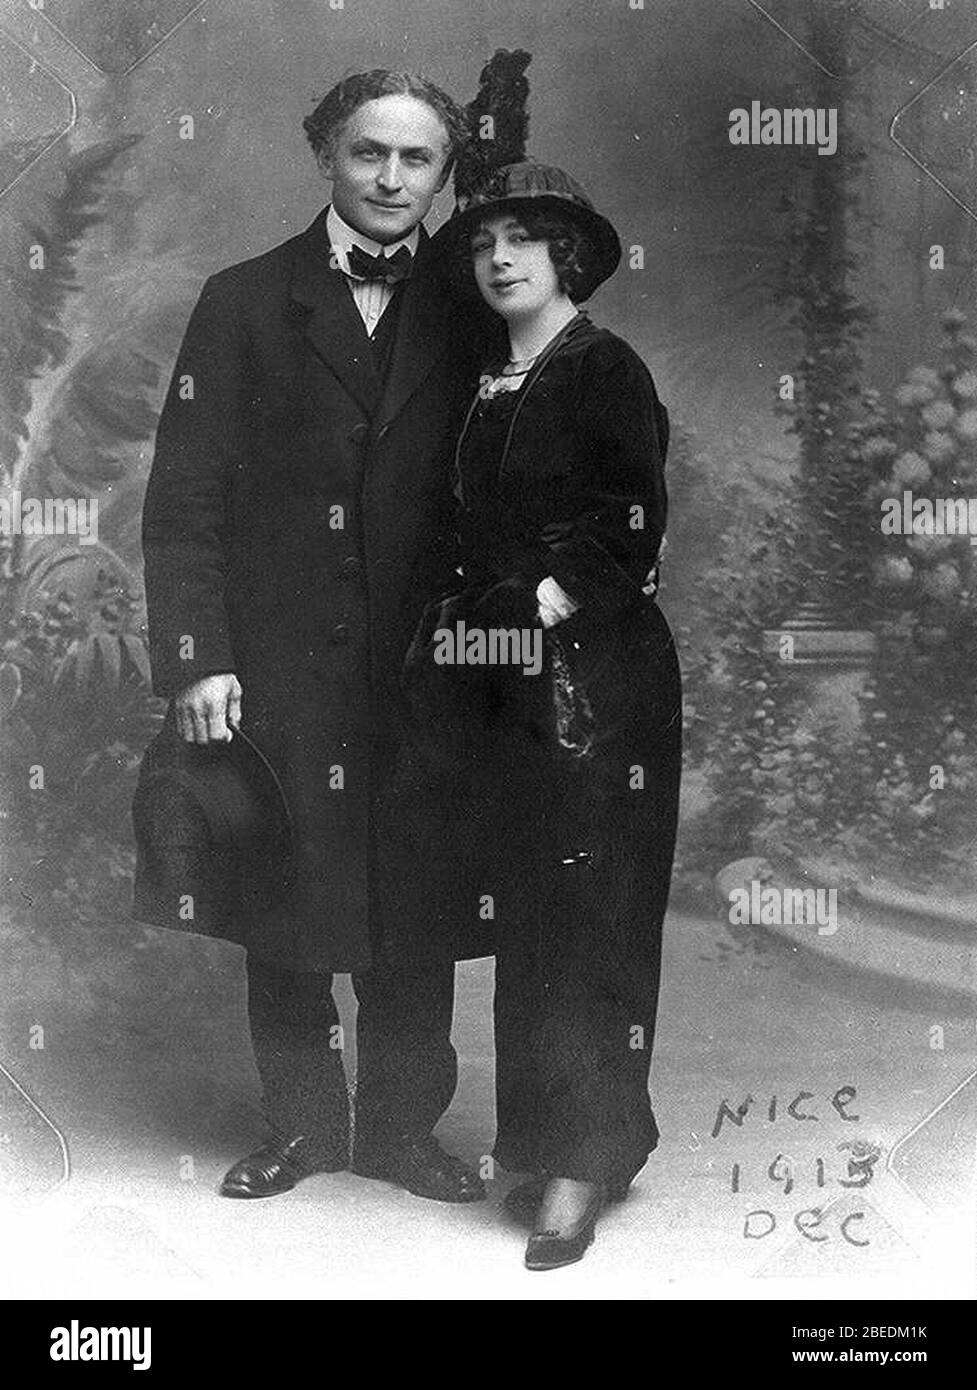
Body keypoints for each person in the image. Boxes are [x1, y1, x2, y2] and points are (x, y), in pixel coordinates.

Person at [141, 70, 487, 1205]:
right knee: (283, 894)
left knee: (417, 898)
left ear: (443, 174)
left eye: (416, 160)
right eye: (367, 154)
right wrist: (197, 656)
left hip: (429, 667)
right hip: (279, 661)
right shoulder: (242, 300)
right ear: (324, 157)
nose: (391, 180)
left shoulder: (479, 301)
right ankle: (300, 1127)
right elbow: (184, 497)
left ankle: (398, 1129)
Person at [411, 161, 682, 1268]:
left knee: (594, 917)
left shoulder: (602, 368)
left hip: (595, 687)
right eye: (482, 244)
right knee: (531, 916)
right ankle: (536, 1138)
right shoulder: (487, 376)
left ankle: (585, 1159)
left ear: (566, 255)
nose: (499, 259)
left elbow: (627, 523)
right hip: (504, 680)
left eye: (523, 239)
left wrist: (534, 605)